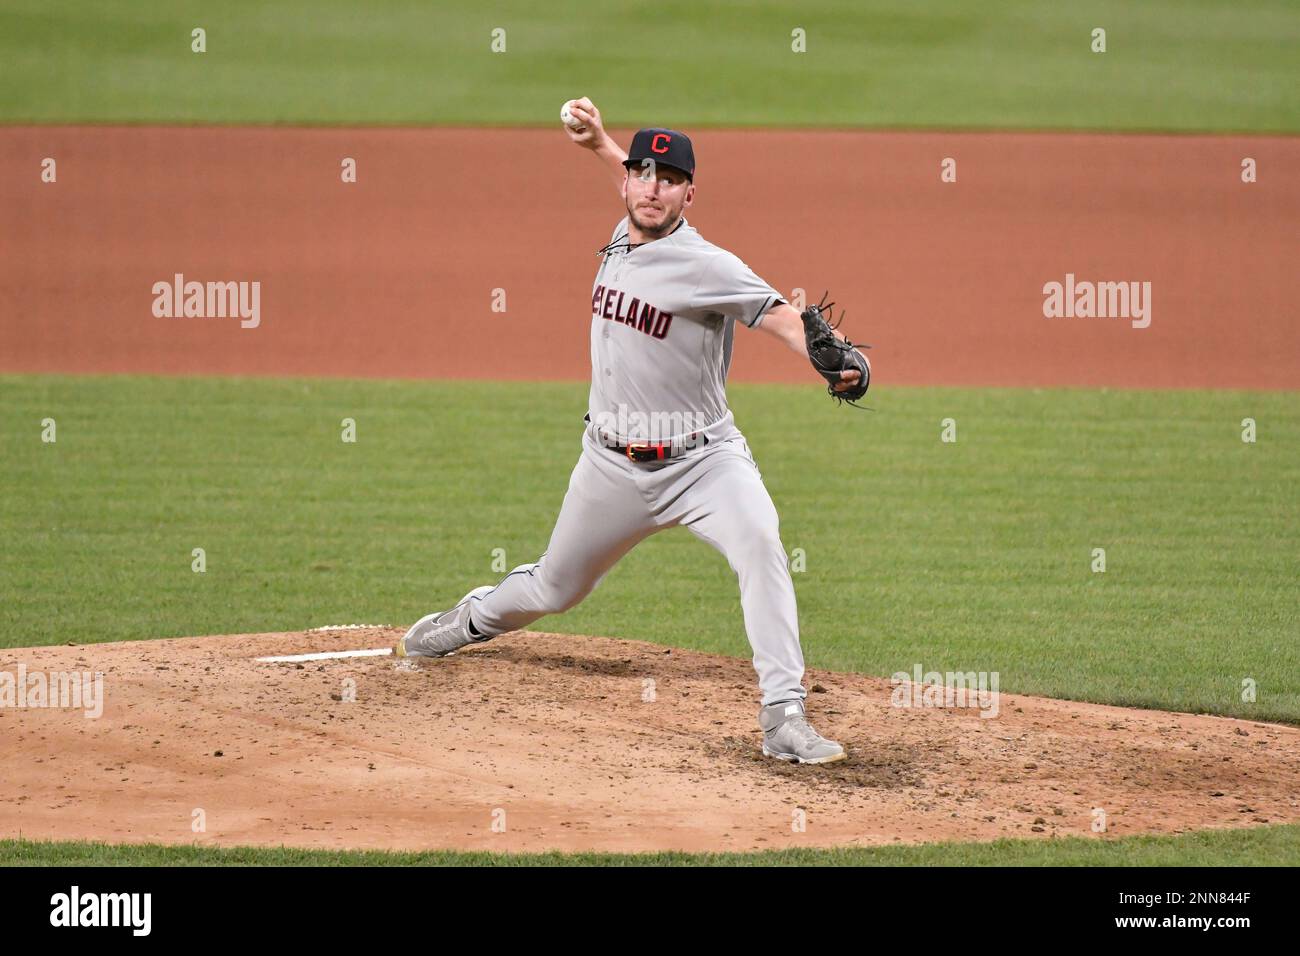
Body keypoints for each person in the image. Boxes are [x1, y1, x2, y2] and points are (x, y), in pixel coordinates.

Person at [396, 98, 866, 764]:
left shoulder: (706, 264)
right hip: (610, 468)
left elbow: (780, 315)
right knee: (553, 590)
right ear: (627, 181)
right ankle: (468, 621)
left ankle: (783, 717)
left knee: (760, 541)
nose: (652, 185)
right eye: (642, 172)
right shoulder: (625, 226)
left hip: (704, 464)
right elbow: (632, 180)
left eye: (668, 178)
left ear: (689, 194)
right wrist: (598, 143)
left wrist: (835, 359)